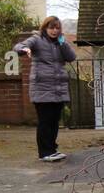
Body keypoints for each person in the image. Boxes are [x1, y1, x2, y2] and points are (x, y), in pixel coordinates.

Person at [14, 17, 77, 162]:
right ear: (45, 28)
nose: (54, 31)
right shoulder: (36, 39)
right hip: (42, 88)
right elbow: (19, 46)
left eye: (57, 28)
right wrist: (24, 49)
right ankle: (44, 152)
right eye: (51, 28)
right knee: (45, 121)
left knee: (54, 121)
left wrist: (63, 44)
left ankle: (52, 149)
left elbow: (71, 57)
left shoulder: (61, 42)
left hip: (58, 89)